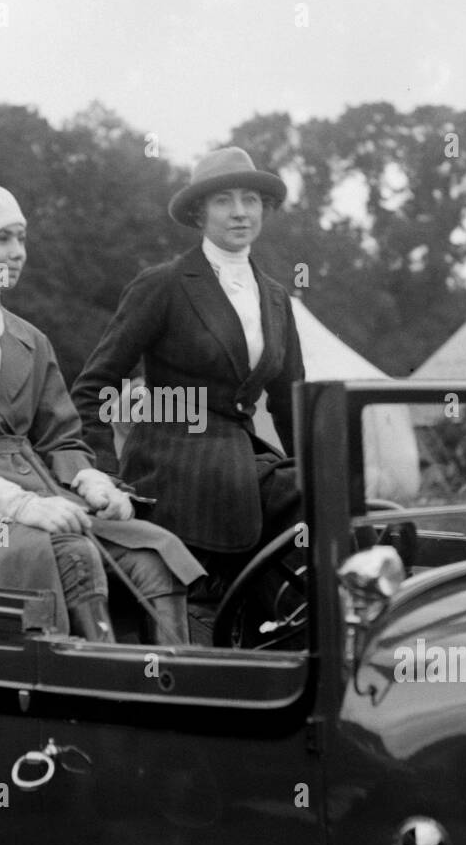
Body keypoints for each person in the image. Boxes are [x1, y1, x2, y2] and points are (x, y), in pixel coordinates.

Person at [0, 184, 205, 645]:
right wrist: (20, 505)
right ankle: (99, 685)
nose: (17, 253)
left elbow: (60, 437)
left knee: (157, 553)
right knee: (75, 554)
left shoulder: (31, 339)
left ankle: (175, 686)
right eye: (2, 239)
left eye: (21, 238)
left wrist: (91, 481)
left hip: (42, 489)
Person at [70, 147, 306, 586]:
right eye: (224, 201)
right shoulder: (164, 284)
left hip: (241, 459)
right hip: (173, 461)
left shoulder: (276, 298)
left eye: (250, 200)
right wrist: (103, 474)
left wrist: (310, 466)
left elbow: (291, 401)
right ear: (200, 213)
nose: (240, 213)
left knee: (321, 497)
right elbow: (95, 386)